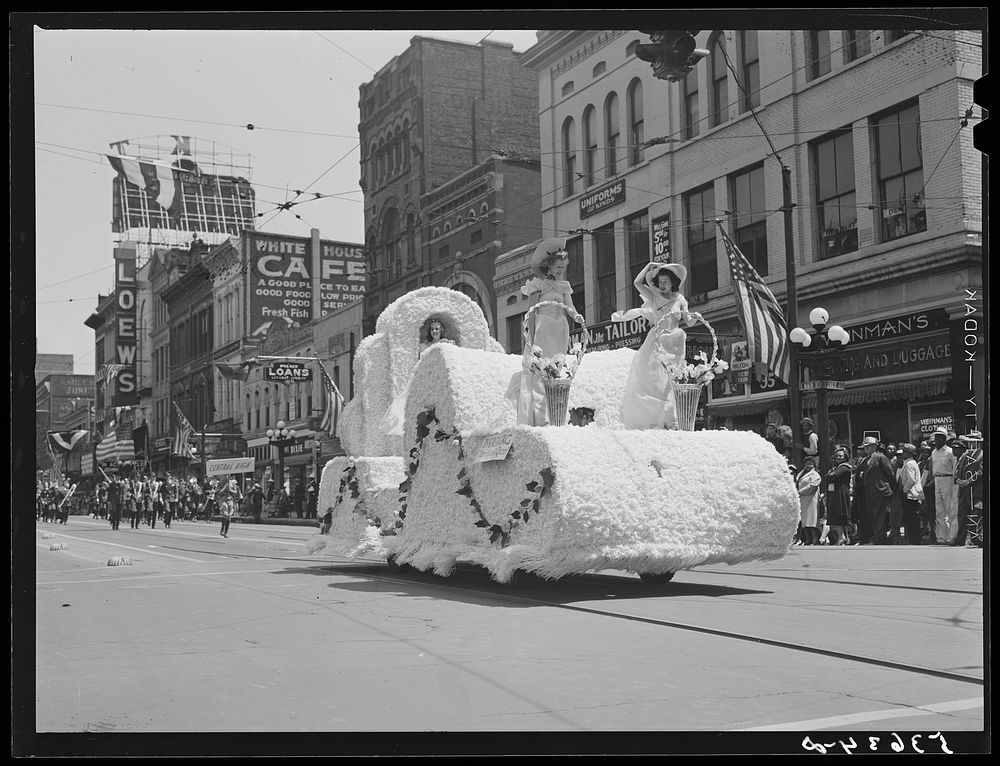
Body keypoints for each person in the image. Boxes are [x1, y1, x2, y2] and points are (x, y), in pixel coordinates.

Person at [611, 261, 696, 430]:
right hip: (657, 340)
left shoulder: (680, 299)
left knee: (672, 380)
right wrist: (649, 265)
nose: (663, 285)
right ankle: (658, 416)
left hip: (675, 342)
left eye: (666, 281)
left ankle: (673, 418)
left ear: (673, 282)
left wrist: (696, 315)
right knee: (656, 377)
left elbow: (690, 321)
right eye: (660, 281)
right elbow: (637, 283)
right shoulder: (654, 297)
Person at [518, 237, 575, 426]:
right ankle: (540, 417)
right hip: (544, 327)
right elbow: (531, 312)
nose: (561, 270)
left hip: (560, 327)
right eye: (558, 267)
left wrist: (580, 321)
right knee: (542, 369)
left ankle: (556, 415)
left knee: (556, 369)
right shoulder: (538, 284)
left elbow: (570, 309)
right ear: (549, 266)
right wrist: (532, 338)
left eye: (563, 267)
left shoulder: (564, 286)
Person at [380, 315, 458, 436]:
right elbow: (420, 364)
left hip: (441, 378)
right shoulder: (423, 346)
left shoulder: (449, 343)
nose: (434, 331)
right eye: (432, 329)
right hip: (427, 378)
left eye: (437, 329)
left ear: (441, 330)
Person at [859, 435, 896, 544]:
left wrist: (891, 489)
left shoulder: (880, 457)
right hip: (870, 492)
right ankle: (877, 537)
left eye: (867, 446)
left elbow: (890, 473)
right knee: (873, 516)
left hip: (880, 491)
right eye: (864, 446)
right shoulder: (865, 460)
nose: (865, 448)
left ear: (874, 446)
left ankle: (879, 539)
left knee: (880, 516)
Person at [953, 430, 984, 547]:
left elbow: (981, 471)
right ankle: (960, 540)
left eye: (973, 441)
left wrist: (968, 481)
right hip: (964, 491)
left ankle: (976, 539)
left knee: (975, 514)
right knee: (961, 514)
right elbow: (957, 469)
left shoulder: (982, 454)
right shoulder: (965, 455)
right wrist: (957, 480)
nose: (971, 443)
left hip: (976, 490)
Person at [929, 426, 958, 544]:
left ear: (945, 439)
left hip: (948, 479)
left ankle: (952, 536)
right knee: (939, 510)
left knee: (950, 508)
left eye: (940, 437)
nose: (937, 439)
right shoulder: (934, 452)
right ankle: (942, 537)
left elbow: (955, 467)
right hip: (937, 479)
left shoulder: (950, 451)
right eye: (936, 437)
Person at [822, 446, 853, 545]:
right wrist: (830, 476)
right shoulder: (835, 468)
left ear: (845, 456)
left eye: (841, 456)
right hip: (834, 494)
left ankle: (842, 536)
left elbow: (834, 476)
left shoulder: (845, 467)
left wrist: (830, 476)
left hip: (841, 493)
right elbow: (828, 477)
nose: (838, 458)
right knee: (837, 515)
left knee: (841, 515)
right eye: (837, 456)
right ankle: (844, 537)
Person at [896, 443, 924, 545]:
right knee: (911, 518)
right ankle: (914, 538)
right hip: (911, 494)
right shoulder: (908, 463)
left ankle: (915, 539)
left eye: (904, 452)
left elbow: (911, 480)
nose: (902, 453)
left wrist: (904, 490)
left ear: (909, 453)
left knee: (912, 518)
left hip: (911, 494)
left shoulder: (910, 464)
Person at [795, 457, 822, 545]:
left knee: (811, 520)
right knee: (804, 521)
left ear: (814, 465)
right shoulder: (801, 474)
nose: (809, 465)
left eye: (811, 463)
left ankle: (814, 539)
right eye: (807, 463)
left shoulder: (815, 475)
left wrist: (800, 492)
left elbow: (813, 486)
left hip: (811, 500)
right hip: (802, 500)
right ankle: (807, 539)